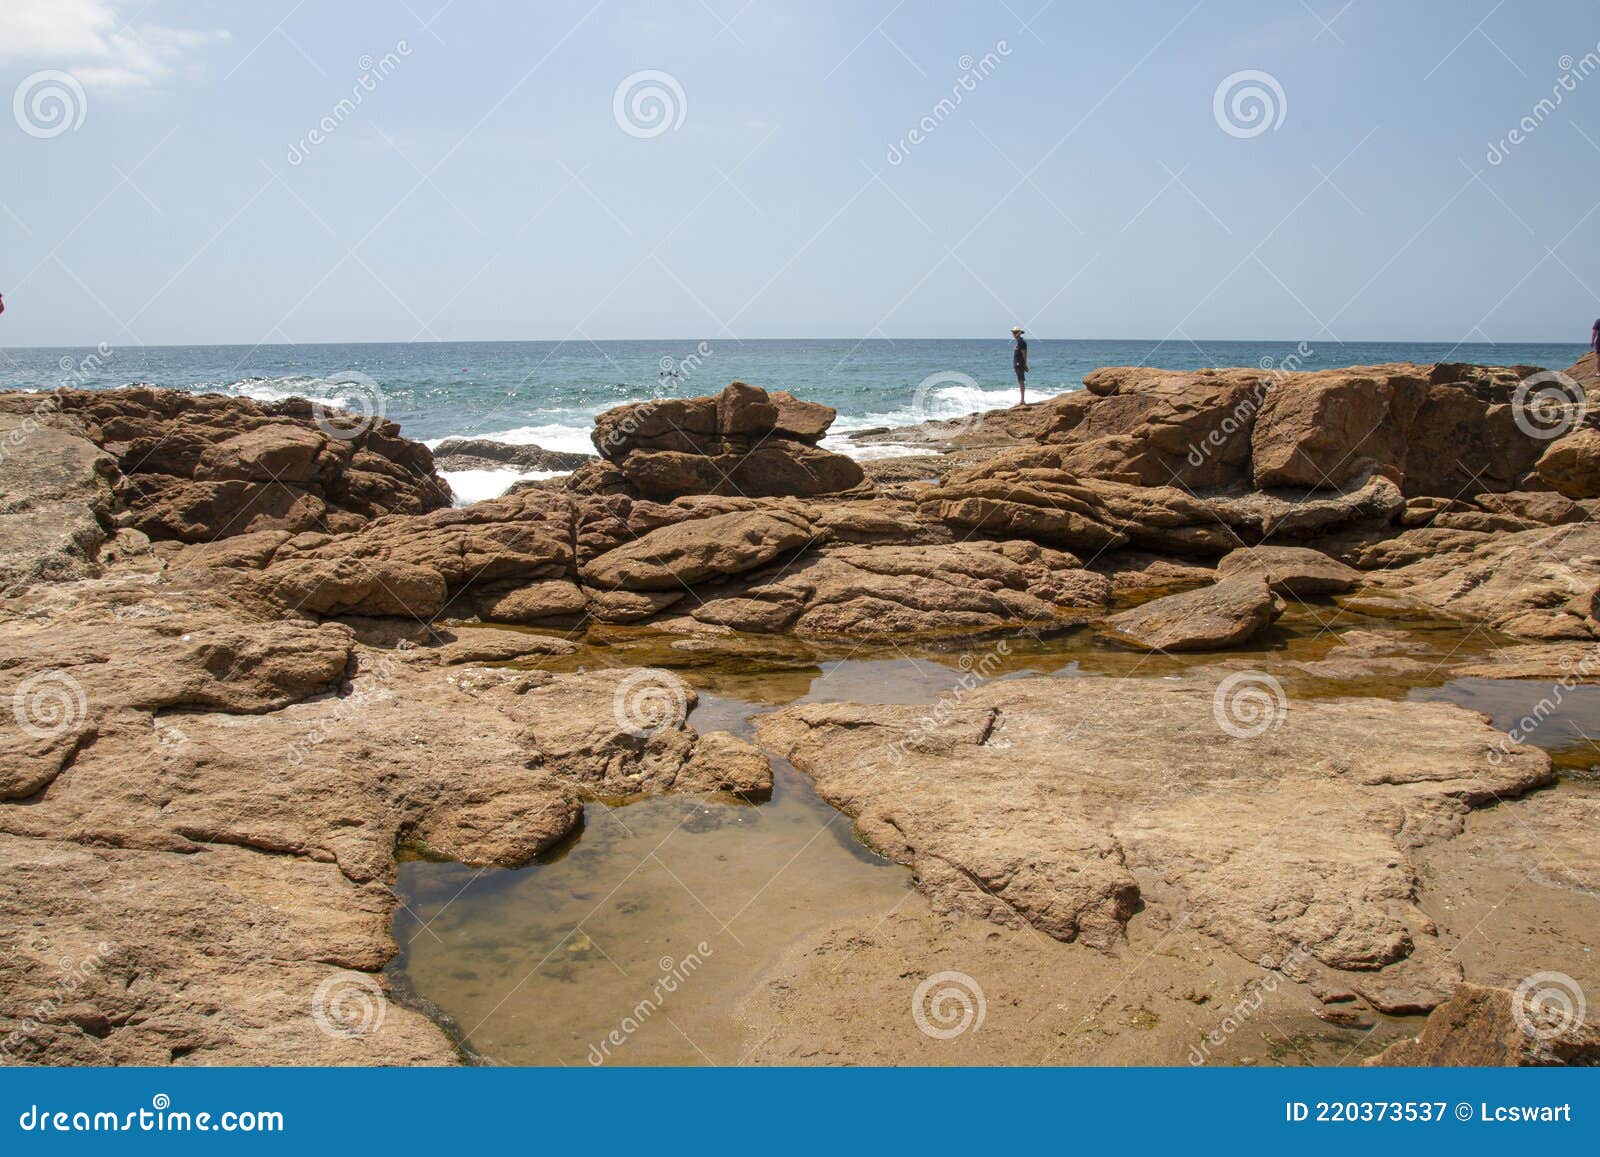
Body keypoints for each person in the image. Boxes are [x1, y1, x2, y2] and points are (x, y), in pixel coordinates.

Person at [1011, 325, 1028, 403]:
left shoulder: (1022, 342)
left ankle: (1022, 400)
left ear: (1019, 333)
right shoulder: (1018, 342)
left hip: (1020, 364)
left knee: (1021, 381)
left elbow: (1024, 354)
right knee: (1020, 381)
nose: (1014, 334)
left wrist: (1025, 364)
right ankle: (1022, 400)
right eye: (1013, 332)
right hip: (1017, 364)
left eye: (1015, 332)